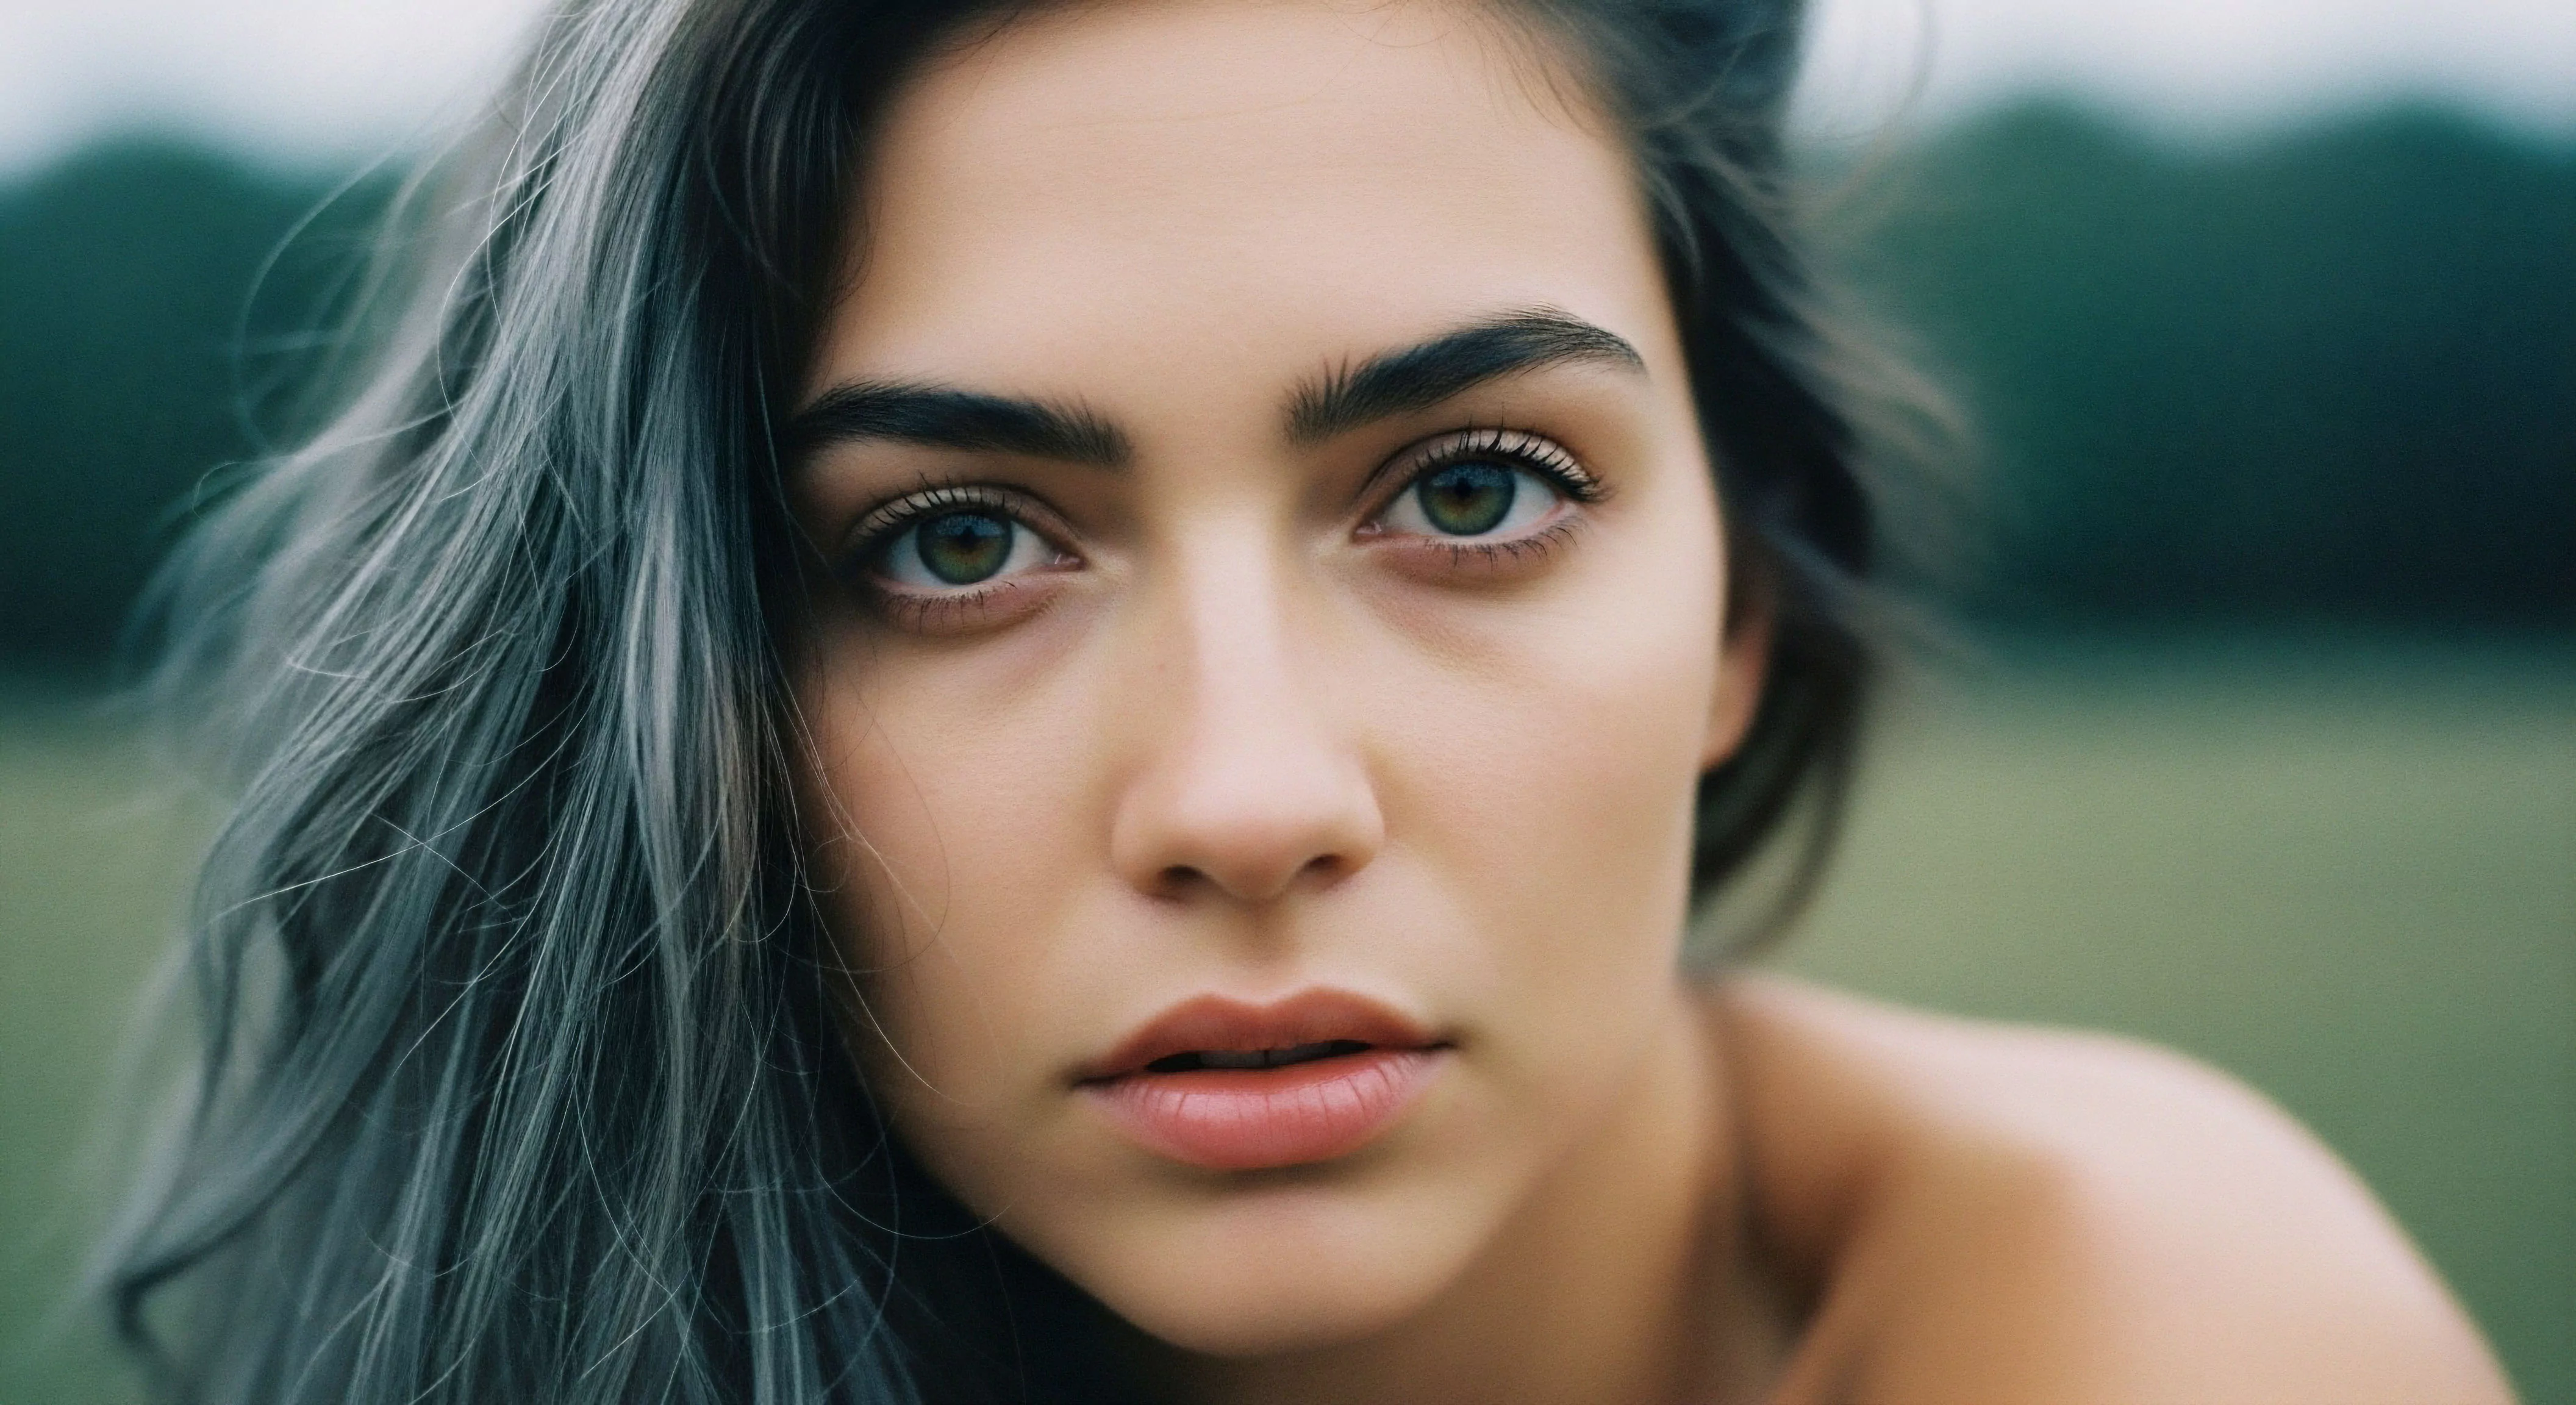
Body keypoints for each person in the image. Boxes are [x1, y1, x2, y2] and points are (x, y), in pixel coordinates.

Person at [104, 0, 2514, 1400]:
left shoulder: (2154, 1326)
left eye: (1470, 494)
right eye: (959, 542)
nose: (1249, 799)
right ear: (689, 690)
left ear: (1743, 602)